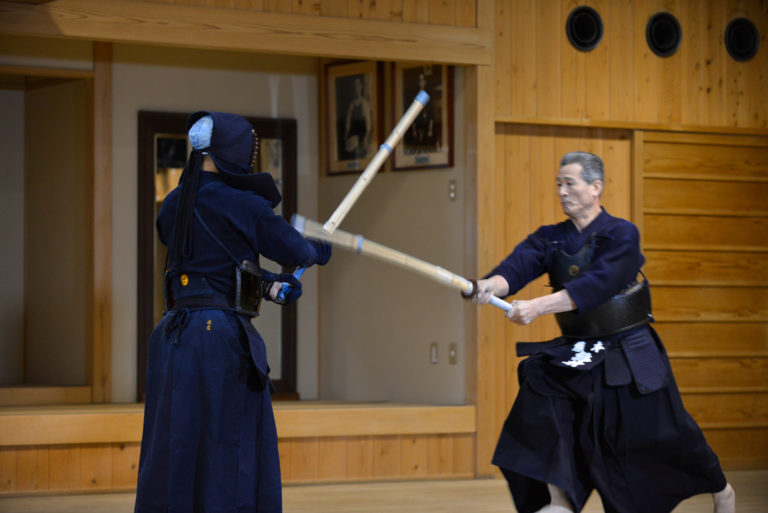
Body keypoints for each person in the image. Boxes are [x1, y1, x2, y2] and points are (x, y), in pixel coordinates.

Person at [468, 152, 735, 513]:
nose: (561, 191)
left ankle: (721, 489)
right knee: (540, 380)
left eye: (569, 183)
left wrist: (538, 307)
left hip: (627, 349)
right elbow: (516, 269)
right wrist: (489, 285)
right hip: (581, 350)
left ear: (596, 188)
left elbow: (599, 284)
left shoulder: (622, 233)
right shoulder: (551, 238)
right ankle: (560, 499)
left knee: (663, 434)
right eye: (558, 184)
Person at [134, 111, 331, 513]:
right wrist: (318, 248)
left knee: (176, 443)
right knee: (228, 444)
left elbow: (210, 270)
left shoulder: (174, 203)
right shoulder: (244, 204)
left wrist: (270, 284)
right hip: (218, 339)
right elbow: (295, 250)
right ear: (238, 153)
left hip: (173, 336)